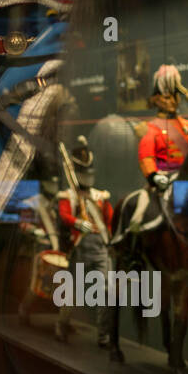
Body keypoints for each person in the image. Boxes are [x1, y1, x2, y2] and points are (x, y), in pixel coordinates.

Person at [55, 137, 116, 345]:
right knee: (73, 290)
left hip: (101, 248)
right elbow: (63, 215)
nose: (88, 177)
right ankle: (62, 325)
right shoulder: (69, 195)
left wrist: (110, 238)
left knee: (107, 290)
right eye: (85, 173)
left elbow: (110, 219)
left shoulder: (100, 196)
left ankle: (104, 335)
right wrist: (77, 223)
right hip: (81, 246)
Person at [137, 64, 188, 192]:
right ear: (156, 99)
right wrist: (153, 176)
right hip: (163, 183)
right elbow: (147, 157)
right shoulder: (150, 128)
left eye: (175, 95)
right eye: (167, 97)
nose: (171, 100)